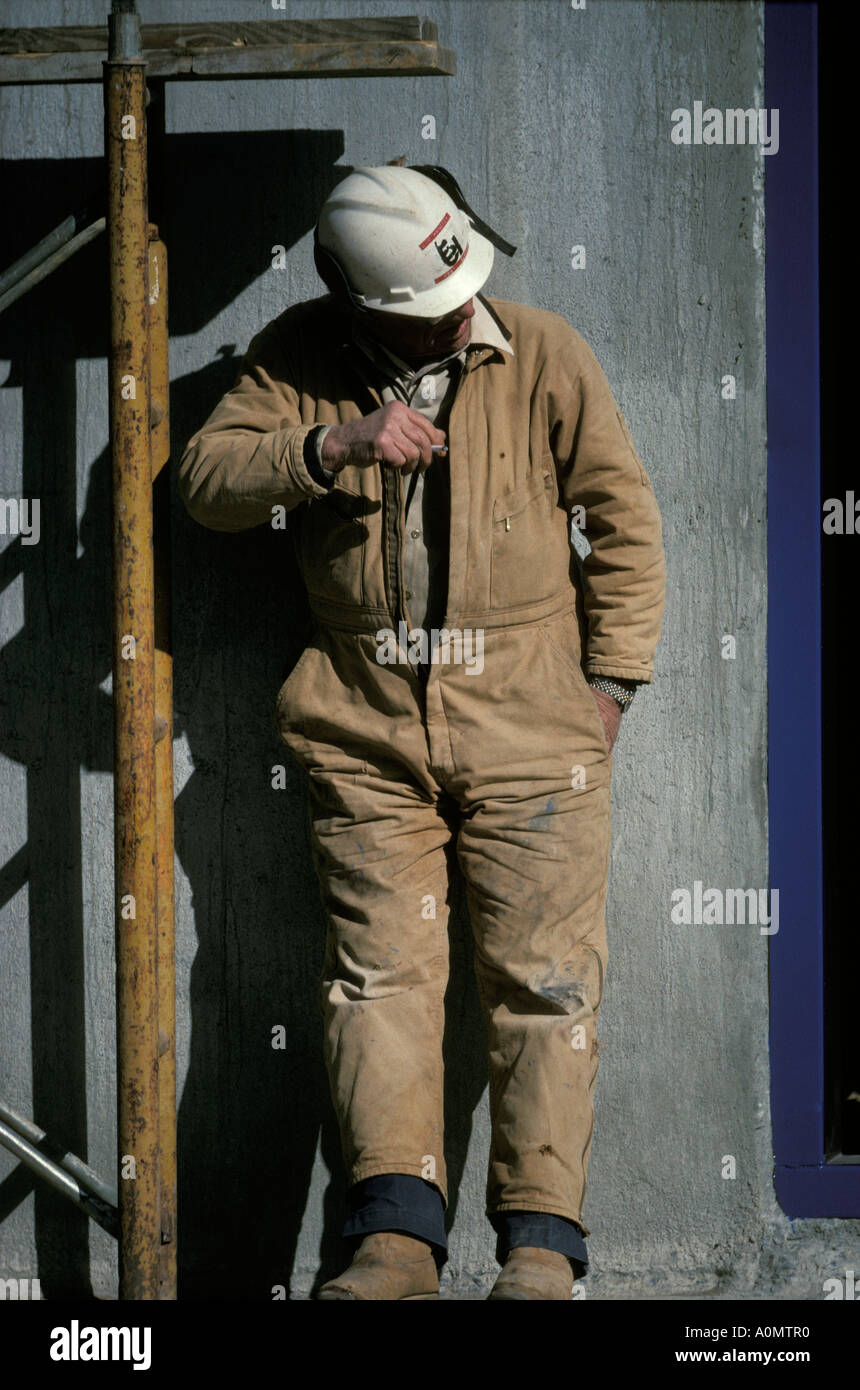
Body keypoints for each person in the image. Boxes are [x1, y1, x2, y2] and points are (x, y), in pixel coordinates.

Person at [178, 164, 666, 1300]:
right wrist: (332, 445)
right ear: (356, 304)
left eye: (459, 290)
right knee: (376, 981)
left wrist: (607, 692)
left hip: (532, 724)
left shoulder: (545, 354)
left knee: (542, 983)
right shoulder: (302, 354)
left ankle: (541, 1250)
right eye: (423, 305)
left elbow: (625, 526)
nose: (454, 314)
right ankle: (393, 1239)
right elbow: (203, 480)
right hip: (362, 730)